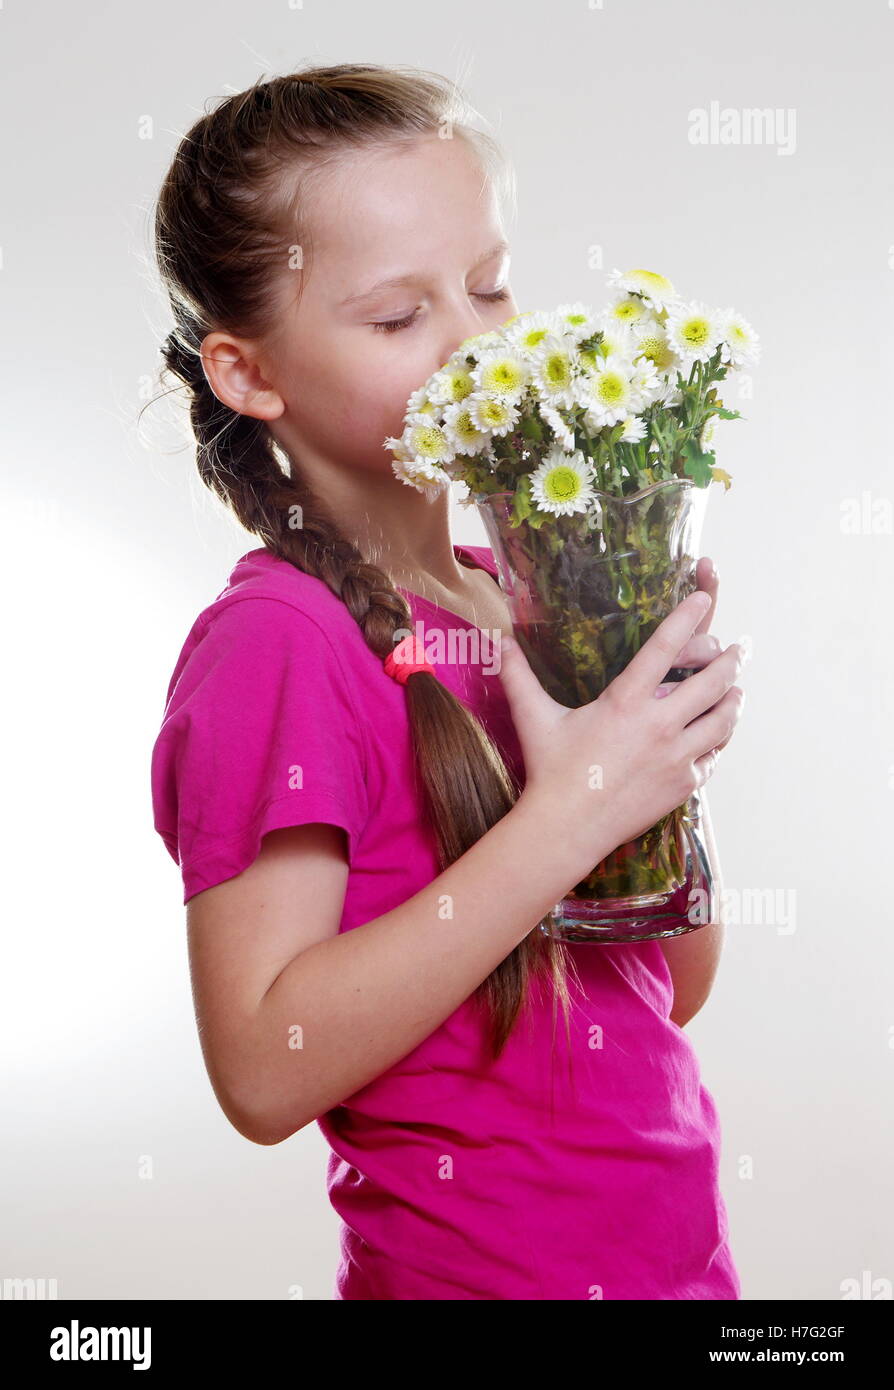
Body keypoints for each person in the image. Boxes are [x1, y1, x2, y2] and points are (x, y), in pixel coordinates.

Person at [148, 63, 747, 1300]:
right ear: (249, 373)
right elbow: (264, 1066)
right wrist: (567, 816)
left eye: (488, 286)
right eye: (396, 317)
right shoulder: (284, 642)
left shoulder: (515, 595)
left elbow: (673, 990)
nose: (479, 345)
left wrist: (658, 782)